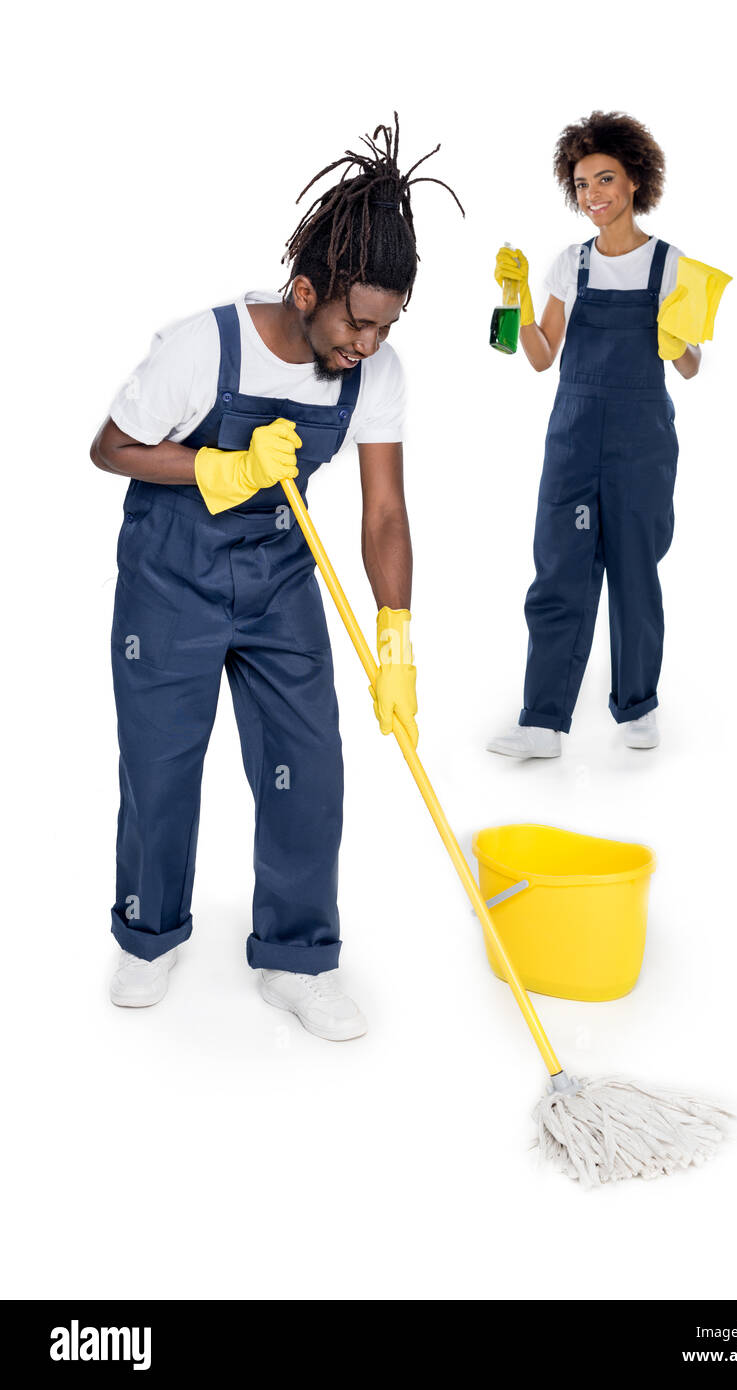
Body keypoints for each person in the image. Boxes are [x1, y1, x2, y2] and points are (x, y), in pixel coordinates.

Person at [91, 117, 463, 1036]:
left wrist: (396, 635)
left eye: (387, 324)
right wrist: (219, 468)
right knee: (161, 767)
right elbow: (109, 448)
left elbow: (383, 511)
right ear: (306, 291)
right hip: (169, 576)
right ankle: (148, 935)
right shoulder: (204, 347)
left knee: (310, 766)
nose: (367, 343)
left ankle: (297, 958)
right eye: (355, 321)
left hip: (279, 583)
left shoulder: (375, 373)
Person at [487, 110, 699, 759]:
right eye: (580, 184)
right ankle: (543, 722)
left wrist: (677, 340)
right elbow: (536, 354)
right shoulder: (566, 265)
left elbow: (690, 365)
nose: (592, 195)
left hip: (640, 440)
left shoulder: (670, 264)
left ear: (634, 180)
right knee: (559, 570)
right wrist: (510, 300)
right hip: (574, 438)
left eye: (604, 179)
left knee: (635, 569)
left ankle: (637, 706)